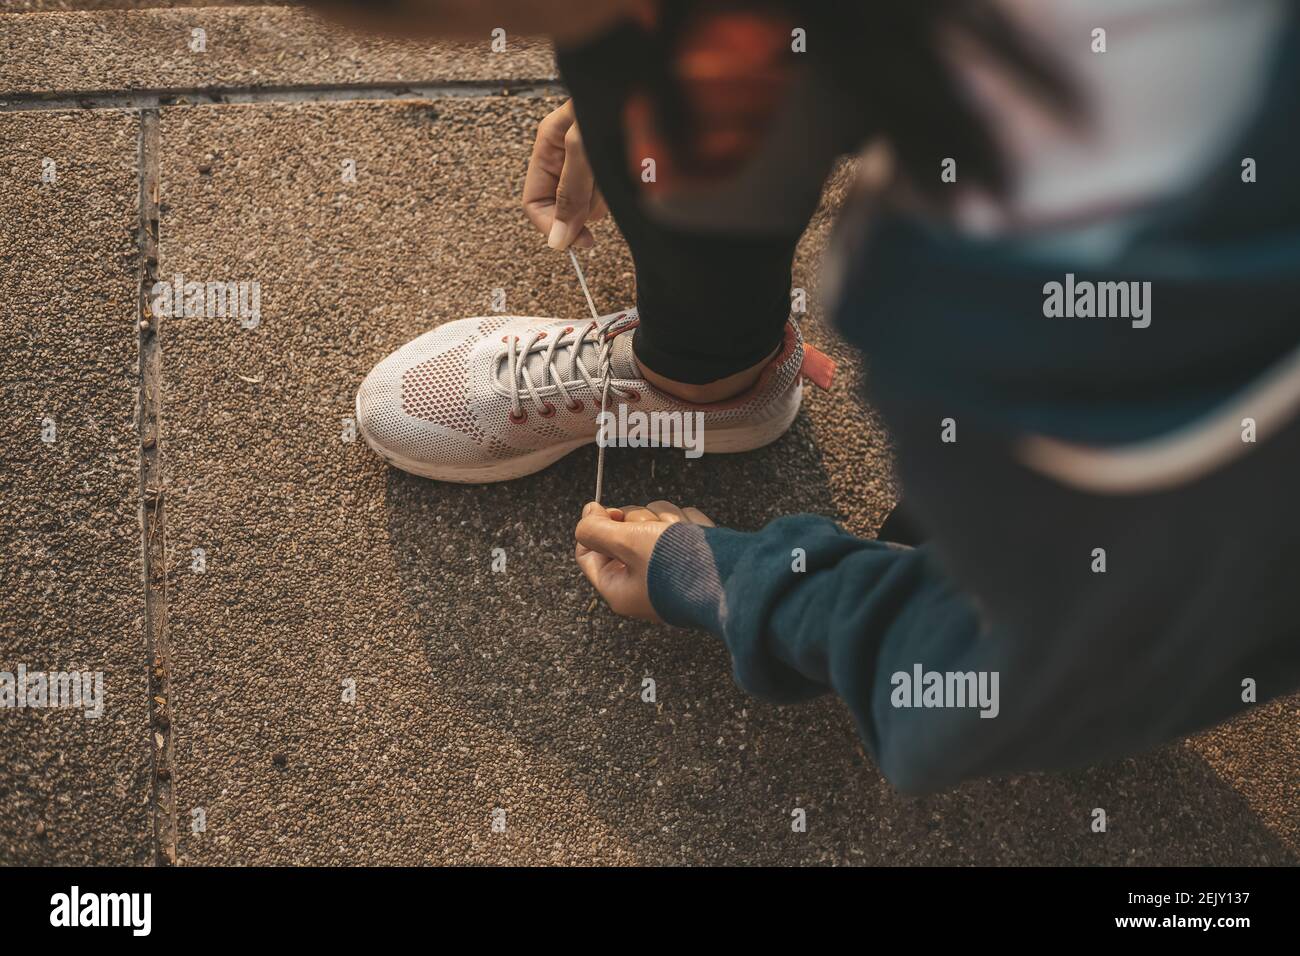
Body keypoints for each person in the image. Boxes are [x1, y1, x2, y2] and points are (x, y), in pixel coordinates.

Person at [315, 0, 1300, 792]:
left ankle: (844, 483)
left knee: (985, 560)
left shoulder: (1085, 376)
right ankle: (703, 380)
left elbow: (982, 686)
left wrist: (743, 583)